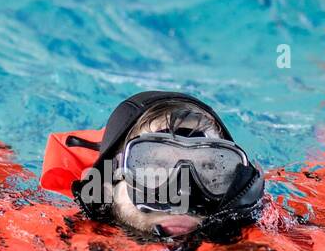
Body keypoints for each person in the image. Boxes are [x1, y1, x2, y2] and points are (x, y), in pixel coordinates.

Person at [40, 91, 264, 241]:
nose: (183, 192)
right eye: (154, 167)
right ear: (107, 184)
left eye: (209, 169)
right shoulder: (46, 247)